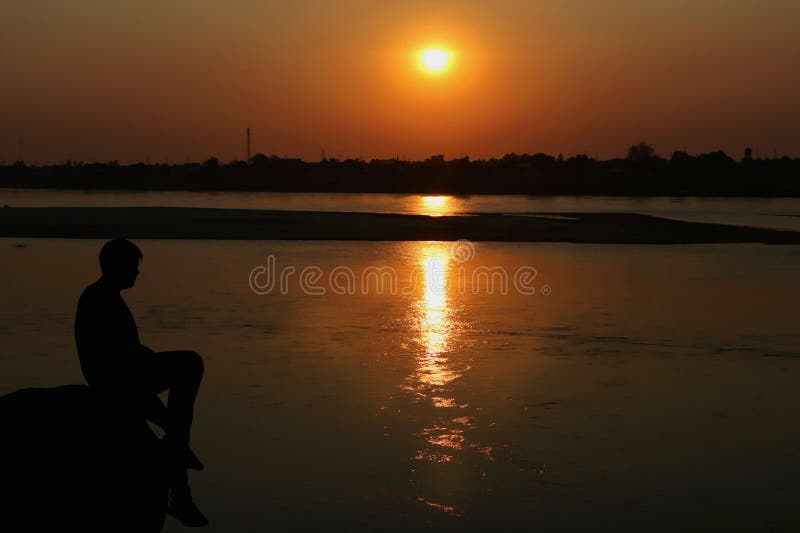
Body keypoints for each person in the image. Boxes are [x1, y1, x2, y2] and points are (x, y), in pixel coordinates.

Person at [74, 238, 208, 527]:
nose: (137, 273)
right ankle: (179, 473)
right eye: (133, 267)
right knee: (191, 363)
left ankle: (178, 456)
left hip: (123, 376)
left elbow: (124, 350)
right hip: (117, 382)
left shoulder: (102, 296)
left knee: (181, 393)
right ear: (116, 266)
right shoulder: (99, 299)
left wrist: (142, 355)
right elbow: (115, 356)